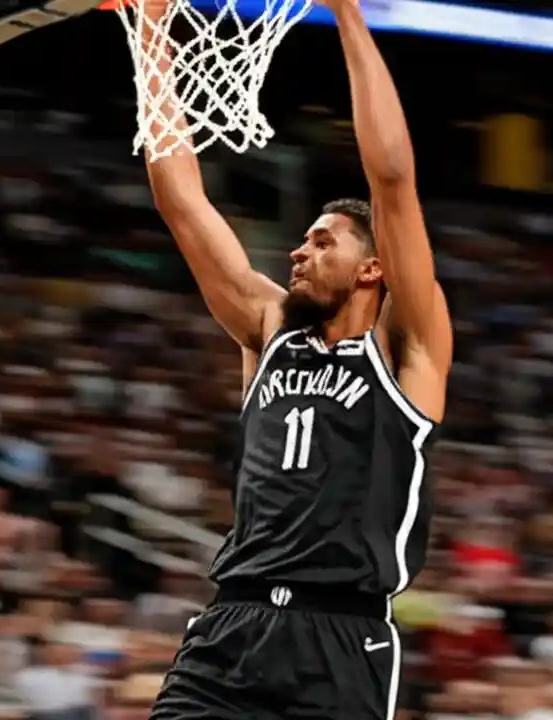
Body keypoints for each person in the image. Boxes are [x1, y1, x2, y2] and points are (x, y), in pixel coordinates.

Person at [136, 0, 453, 716]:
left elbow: (394, 181)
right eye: (302, 240)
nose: (298, 251)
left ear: (373, 270)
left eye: (322, 242)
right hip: (230, 628)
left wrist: (345, 14)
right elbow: (181, 201)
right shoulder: (269, 327)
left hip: (340, 642)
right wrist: (151, 31)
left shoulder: (407, 347)